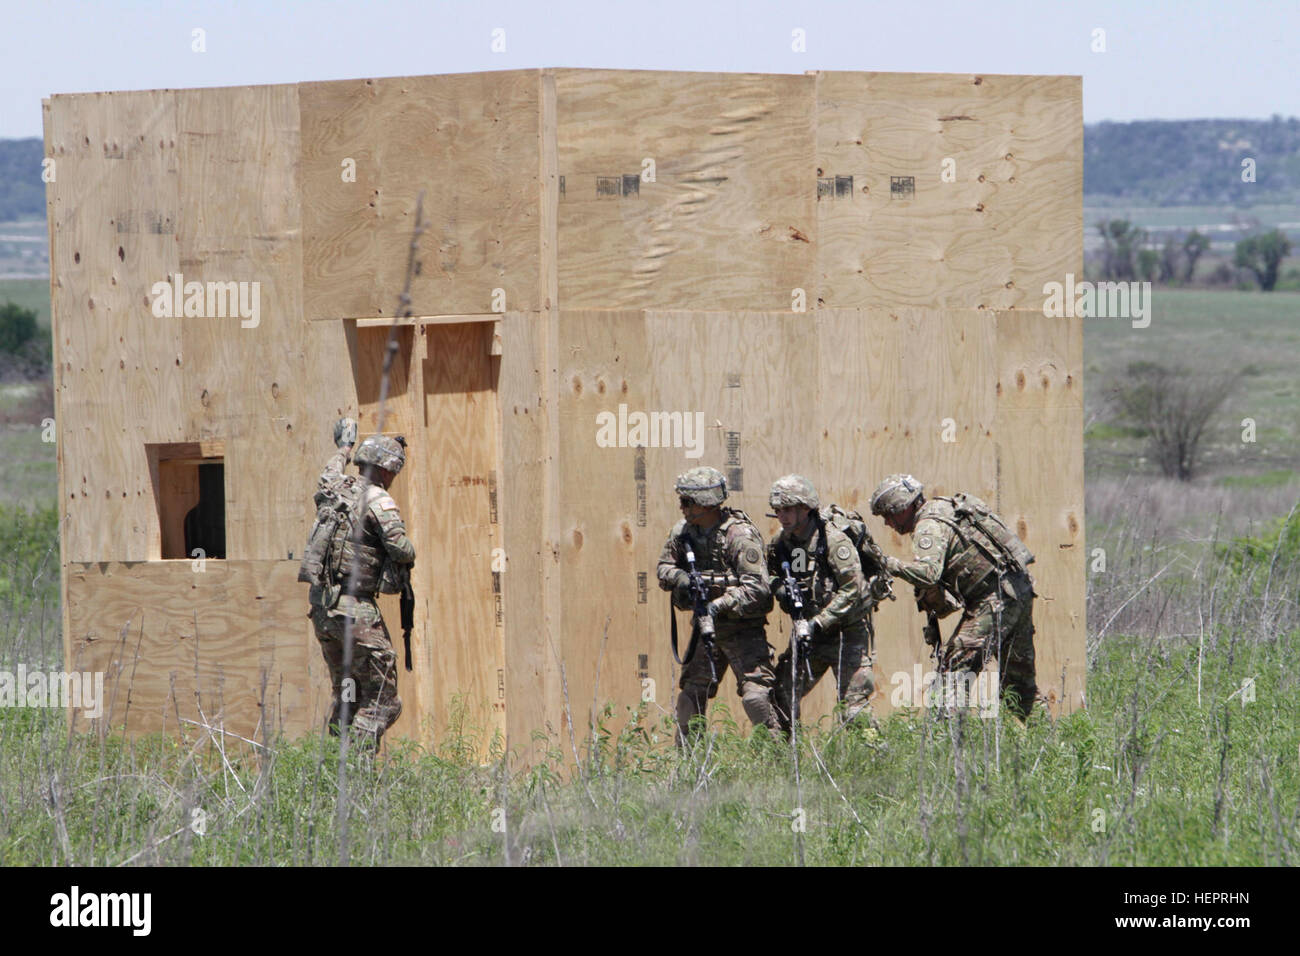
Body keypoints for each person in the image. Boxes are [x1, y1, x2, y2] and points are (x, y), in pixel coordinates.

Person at [869, 474, 1039, 720]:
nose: (887, 523)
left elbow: (928, 574)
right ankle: (1044, 738)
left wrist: (887, 564)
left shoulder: (927, 525)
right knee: (1020, 680)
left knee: (955, 669)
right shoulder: (946, 506)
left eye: (888, 514)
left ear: (903, 507)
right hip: (1018, 589)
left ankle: (947, 740)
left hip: (994, 598)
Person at [308, 417, 415, 745]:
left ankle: (331, 778)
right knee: (383, 701)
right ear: (386, 470)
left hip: (324, 612)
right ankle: (356, 776)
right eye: (393, 472)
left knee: (348, 699)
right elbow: (401, 548)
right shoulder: (379, 499)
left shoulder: (333, 488)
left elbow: (329, 471)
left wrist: (344, 448)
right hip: (356, 613)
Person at [657, 466, 780, 744]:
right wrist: (683, 579)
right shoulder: (683, 532)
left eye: (687, 501)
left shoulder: (739, 535)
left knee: (756, 698)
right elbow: (663, 568)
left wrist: (718, 604)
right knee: (690, 698)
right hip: (705, 630)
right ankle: (691, 765)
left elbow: (758, 589)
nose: (682, 507)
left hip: (742, 631)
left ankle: (777, 762)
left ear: (706, 503)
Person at [766, 475, 876, 731]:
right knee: (780, 695)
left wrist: (818, 622)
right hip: (809, 638)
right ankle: (784, 762)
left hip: (846, 634)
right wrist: (780, 589)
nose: (783, 516)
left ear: (805, 508)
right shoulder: (782, 544)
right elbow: (768, 574)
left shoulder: (833, 540)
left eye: (788, 509)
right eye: (778, 511)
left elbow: (853, 588)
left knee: (853, 708)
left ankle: (874, 763)